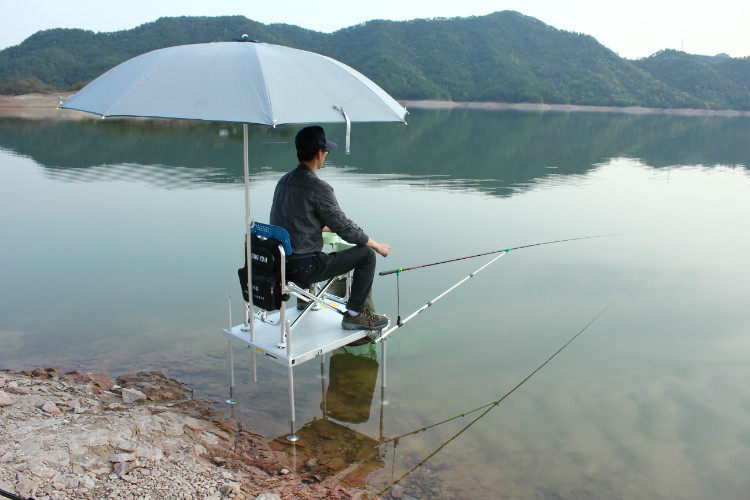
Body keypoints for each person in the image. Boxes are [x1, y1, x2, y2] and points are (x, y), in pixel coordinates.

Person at [269, 125, 391, 331]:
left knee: (309, 250)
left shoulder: (283, 182)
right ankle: (354, 315)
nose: (325, 155)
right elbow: (346, 229)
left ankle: (304, 301)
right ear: (319, 153)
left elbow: (293, 223)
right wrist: (377, 245)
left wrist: (323, 228)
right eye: (325, 151)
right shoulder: (318, 187)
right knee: (367, 255)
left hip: (280, 265)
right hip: (303, 269)